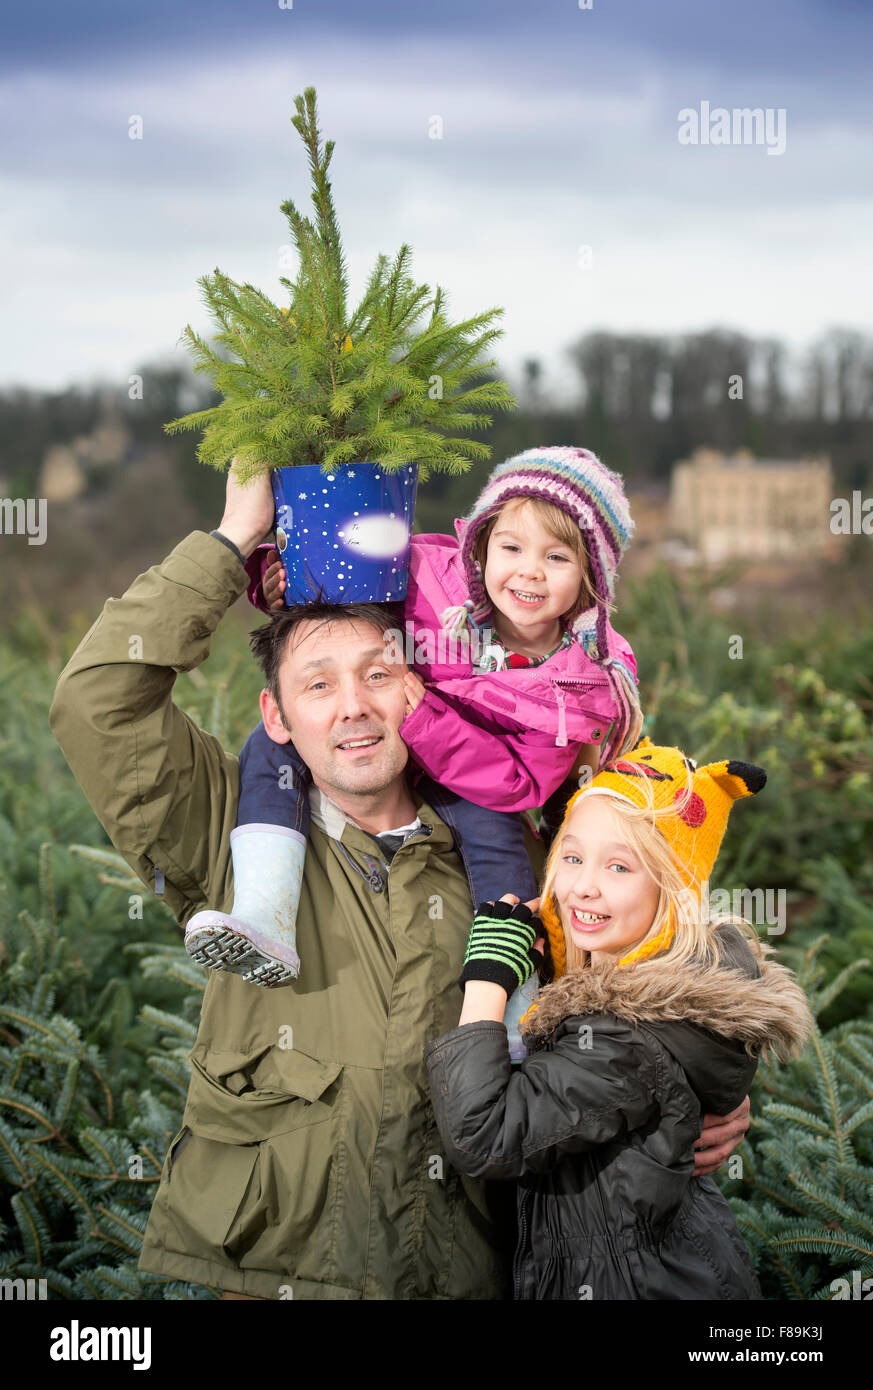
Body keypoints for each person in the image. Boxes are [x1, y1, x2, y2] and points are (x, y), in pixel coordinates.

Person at [49, 472, 751, 1299]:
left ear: (423, 686)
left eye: (379, 674)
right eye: (318, 684)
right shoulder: (224, 831)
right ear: (277, 718)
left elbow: (664, 950)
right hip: (279, 1275)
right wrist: (233, 538)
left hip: (466, 1272)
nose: (354, 707)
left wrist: (707, 1092)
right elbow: (99, 701)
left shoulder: (519, 856)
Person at [186, 446, 644, 1062]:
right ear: (481, 544)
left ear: (591, 578)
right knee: (270, 752)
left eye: (556, 557)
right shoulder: (435, 578)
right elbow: (345, 585)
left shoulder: (578, 682)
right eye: (511, 548)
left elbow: (517, 785)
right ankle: (266, 910)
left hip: (476, 781)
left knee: (499, 849)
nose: (528, 573)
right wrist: (274, 574)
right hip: (382, 741)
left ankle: (514, 1001)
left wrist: (426, 718)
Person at [424, 739, 813, 1300]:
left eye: (620, 866)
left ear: (671, 889)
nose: (583, 885)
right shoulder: (629, 1003)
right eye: (574, 857)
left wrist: (487, 978)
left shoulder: (625, 1036)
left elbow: (484, 1135)